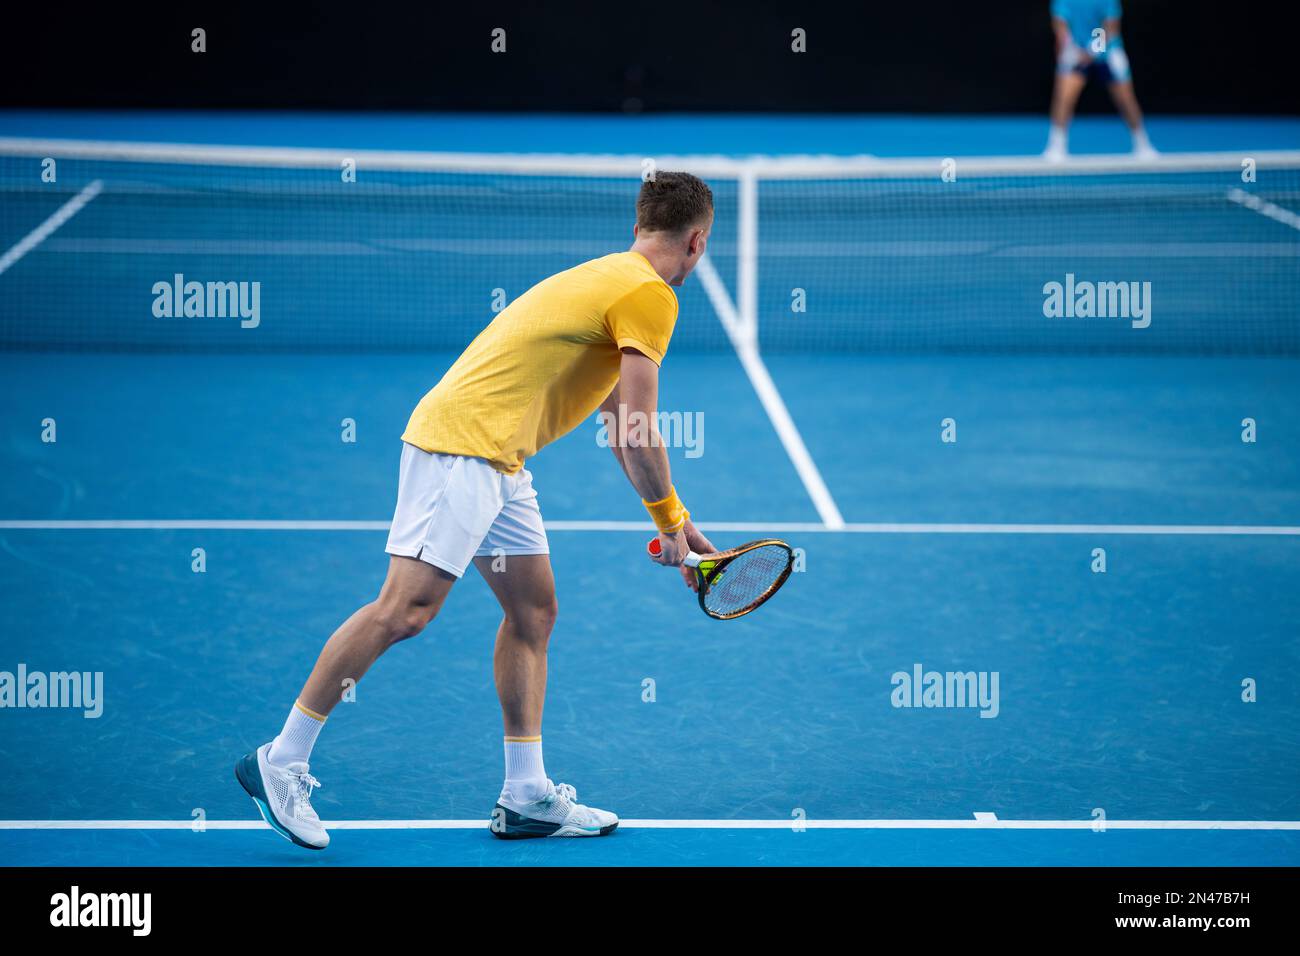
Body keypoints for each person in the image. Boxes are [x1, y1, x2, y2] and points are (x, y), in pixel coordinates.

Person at [234, 172, 718, 847]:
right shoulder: (650, 297)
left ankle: (525, 795)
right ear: (697, 241)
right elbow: (640, 428)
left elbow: (616, 424)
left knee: (533, 611)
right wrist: (667, 525)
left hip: (501, 461)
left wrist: (678, 523)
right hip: (463, 449)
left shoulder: (612, 279)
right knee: (405, 610)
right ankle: (281, 759)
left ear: (641, 228)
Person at [1043, 0, 1158, 161]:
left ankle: (1142, 144)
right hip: (1076, 53)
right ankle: (1056, 146)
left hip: (1108, 53)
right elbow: (1061, 28)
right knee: (1063, 98)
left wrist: (1092, 51)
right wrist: (1070, 50)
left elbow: (1110, 28)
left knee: (1126, 101)